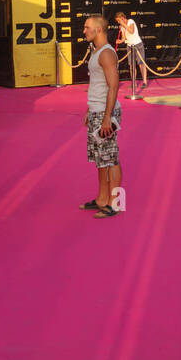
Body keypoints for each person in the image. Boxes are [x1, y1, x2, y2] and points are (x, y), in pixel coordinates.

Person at [80, 15, 122, 217]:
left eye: (87, 27)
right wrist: (90, 109)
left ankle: (116, 203)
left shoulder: (106, 54)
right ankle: (102, 199)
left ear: (98, 30)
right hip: (97, 110)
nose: (84, 31)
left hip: (107, 112)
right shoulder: (96, 51)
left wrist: (107, 117)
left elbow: (113, 87)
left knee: (111, 158)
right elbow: (98, 84)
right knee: (100, 159)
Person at [115, 11, 148, 87]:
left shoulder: (130, 21)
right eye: (117, 21)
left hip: (138, 45)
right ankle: (134, 83)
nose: (118, 22)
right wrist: (120, 41)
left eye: (119, 20)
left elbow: (131, 31)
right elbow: (123, 38)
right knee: (131, 65)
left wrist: (123, 24)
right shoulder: (122, 26)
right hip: (129, 46)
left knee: (141, 64)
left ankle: (144, 82)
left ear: (122, 18)